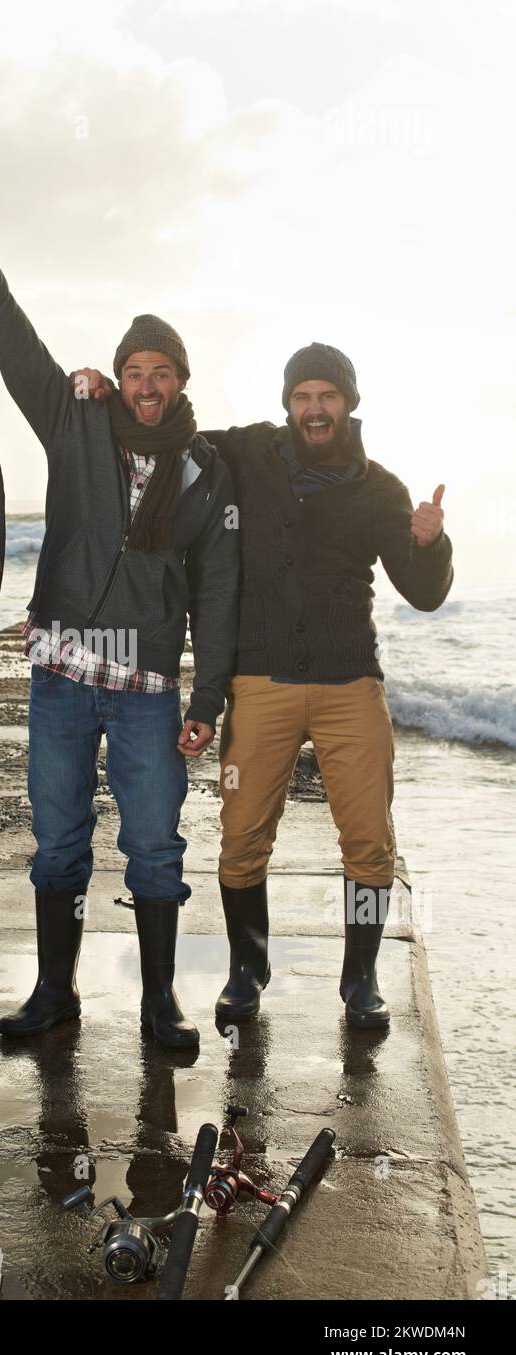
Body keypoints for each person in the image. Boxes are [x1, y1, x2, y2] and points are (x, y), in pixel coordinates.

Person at [72, 344, 453, 1028]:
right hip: (259, 682)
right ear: (288, 403)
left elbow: (422, 593)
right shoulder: (246, 455)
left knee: (368, 843)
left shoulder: (380, 489)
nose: (314, 408)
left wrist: (430, 545)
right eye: (303, 395)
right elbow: (166, 434)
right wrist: (111, 397)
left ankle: (360, 979)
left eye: (327, 397)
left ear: (347, 404)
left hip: (348, 684)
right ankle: (247, 970)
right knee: (242, 837)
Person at [0, 208, 239, 1047]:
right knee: (58, 842)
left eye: (161, 372)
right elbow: (17, 350)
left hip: (147, 687)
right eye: (134, 370)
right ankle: (53, 992)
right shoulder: (73, 420)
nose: (146, 384)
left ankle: (157, 1003)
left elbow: (217, 589)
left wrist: (207, 698)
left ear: (180, 381)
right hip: (63, 673)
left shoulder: (203, 468)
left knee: (154, 846)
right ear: (118, 375)